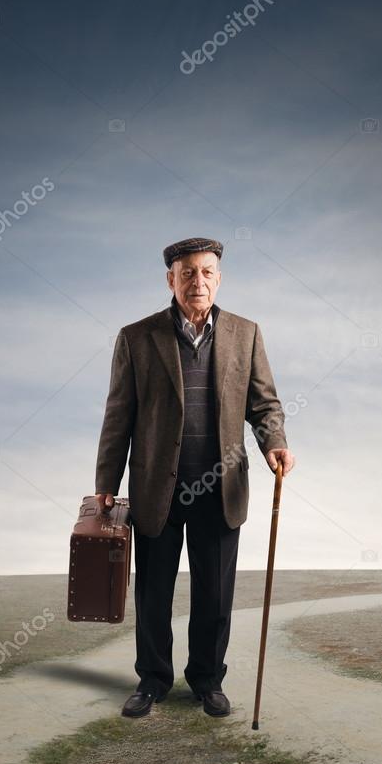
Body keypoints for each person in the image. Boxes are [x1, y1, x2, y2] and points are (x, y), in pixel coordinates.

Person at [95, 236, 295, 718]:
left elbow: (264, 403)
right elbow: (118, 415)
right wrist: (106, 480)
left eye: (206, 272)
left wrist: (274, 441)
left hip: (220, 488)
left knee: (214, 594)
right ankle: (153, 681)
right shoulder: (137, 337)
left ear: (218, 277)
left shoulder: (246, 334)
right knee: (154, 592)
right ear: (171, 279)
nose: (197, 281)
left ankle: (207, 680)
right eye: (187, 273)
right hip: (156, 488)